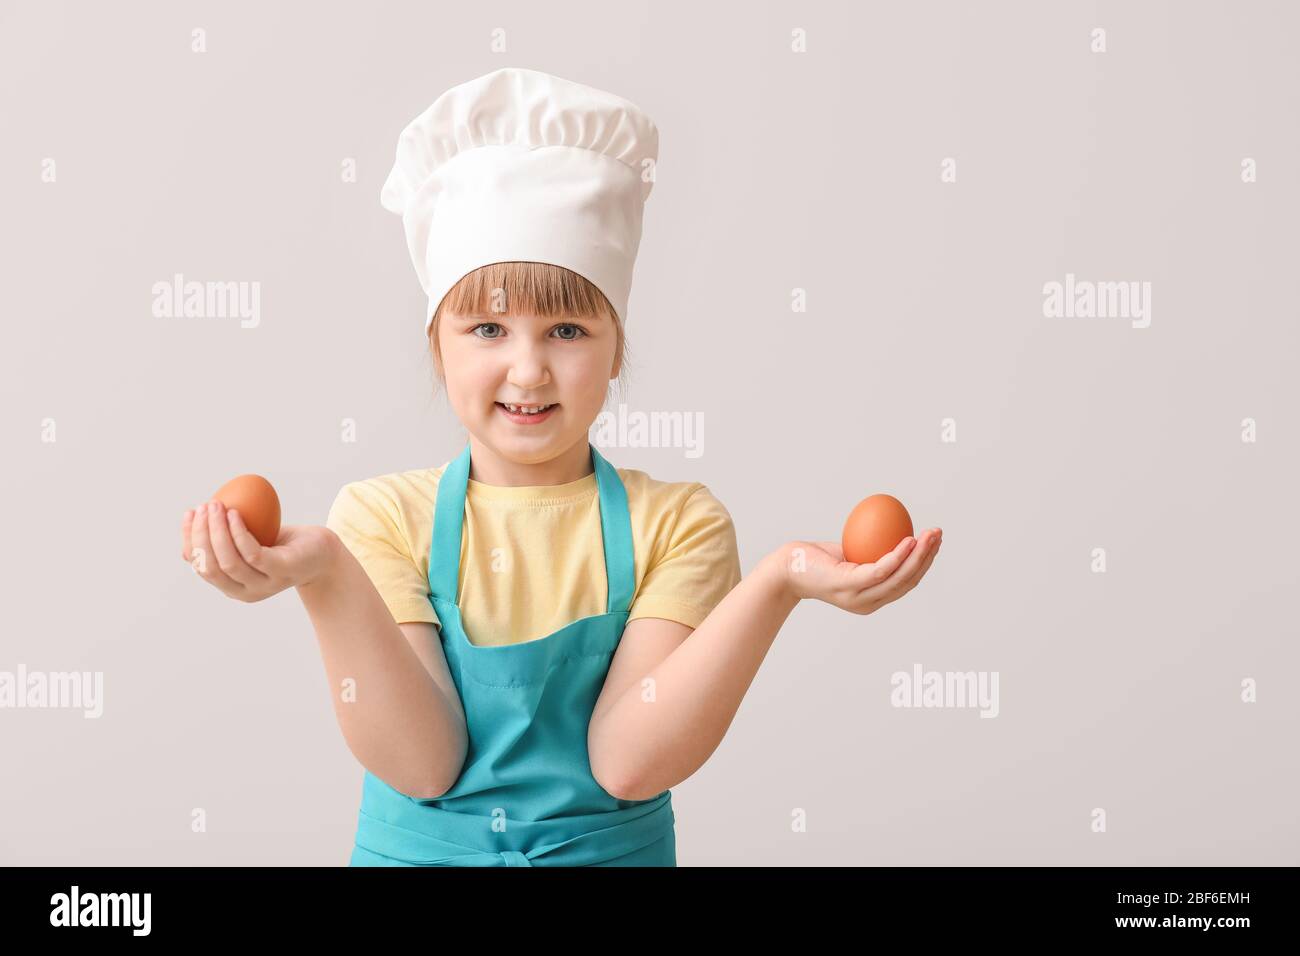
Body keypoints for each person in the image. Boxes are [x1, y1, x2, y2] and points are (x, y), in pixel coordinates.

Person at [179, 67, 943, 866]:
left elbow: (629, 760)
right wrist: (327, 578)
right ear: (436, 347)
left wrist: (780, 582)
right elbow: (422, 760)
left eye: (569, 331)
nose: (528, 369)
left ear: (618, 349)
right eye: (487, 329)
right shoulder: (379, 518)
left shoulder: (677, 524)